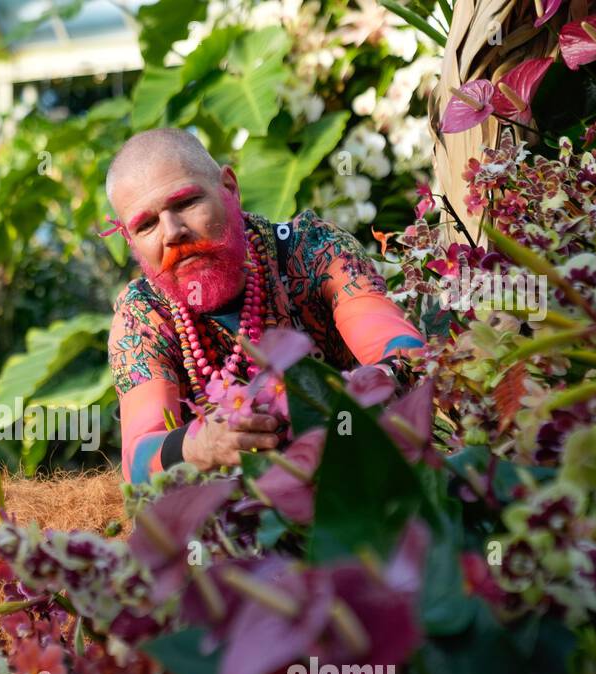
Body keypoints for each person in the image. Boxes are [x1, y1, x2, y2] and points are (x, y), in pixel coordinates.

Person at [104, 128, 424, 485]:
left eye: (186, 203)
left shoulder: (313, 249)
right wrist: (200, 446)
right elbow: (139, 458)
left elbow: (405, 351)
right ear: (129, 240)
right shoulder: (143, 316)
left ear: (230, 188)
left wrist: (371, 385)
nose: (172, 232)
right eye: (146, 225)